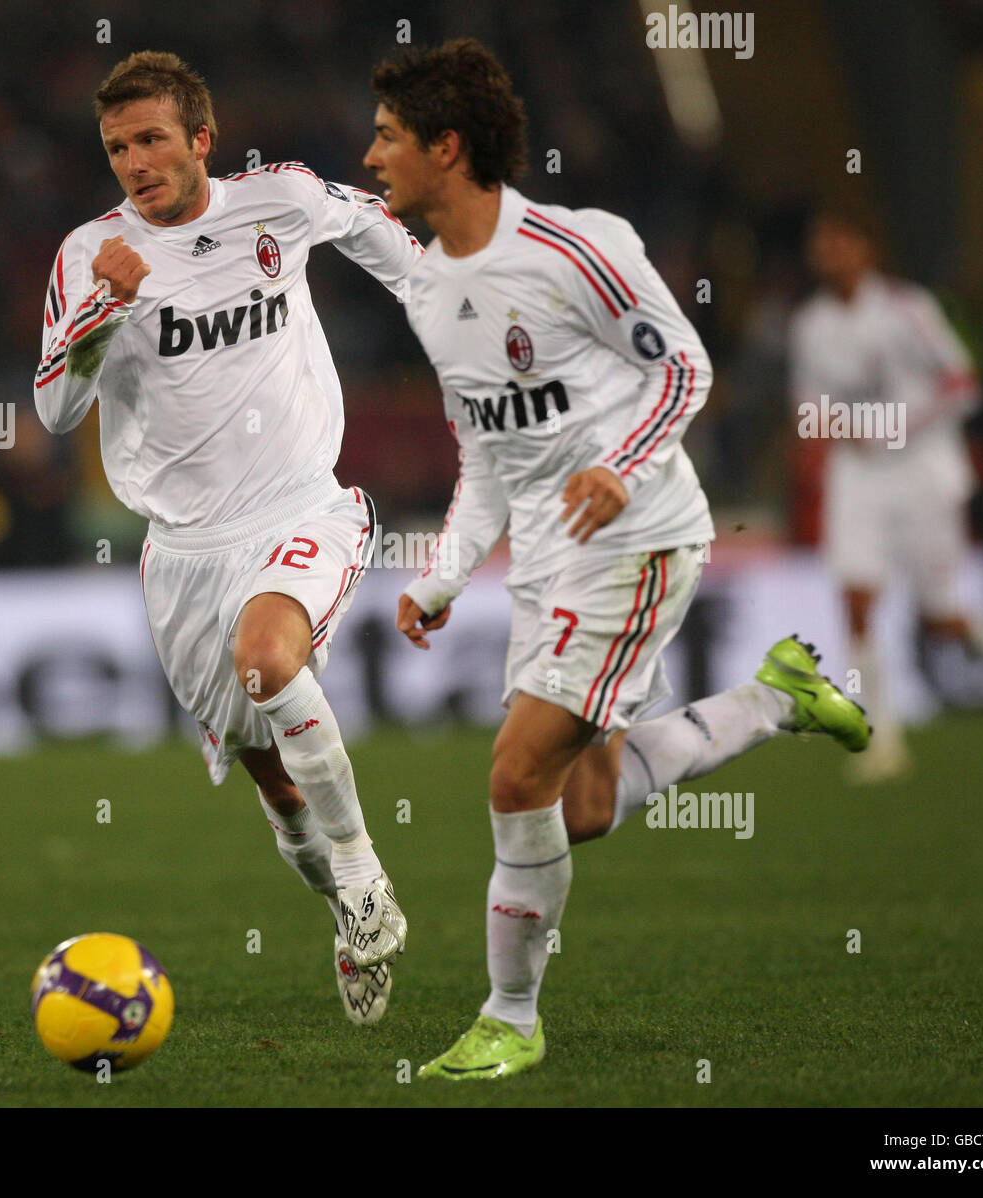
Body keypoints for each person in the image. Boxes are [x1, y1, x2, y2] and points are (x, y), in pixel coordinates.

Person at [362, 38, 871, 1080]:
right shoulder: (426, 291)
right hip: (547, 560)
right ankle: (774, 698)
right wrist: (447, 572)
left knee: (514, 773)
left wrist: (623, 470)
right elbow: (487, 455)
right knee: (579, 806)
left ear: (445, 148)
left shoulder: (572, 249)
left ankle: (510, 1015)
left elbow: (684, 364)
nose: (371, 157)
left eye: (386, 137)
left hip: (638, 536)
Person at [35, 51, 421, 1026]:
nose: (134, 160)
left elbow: (371, 225)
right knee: (276, 786)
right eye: (117, 145)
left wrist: (447, 301)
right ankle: (344, 908)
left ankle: (368, 875)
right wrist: (100, 312)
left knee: (267, 659)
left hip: (301, 505)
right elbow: (52, 406)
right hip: (185, 552)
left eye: (152, 138)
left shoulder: (277, 200)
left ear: (200, 139)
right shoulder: (91, 256)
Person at [791, 209, 983, 783]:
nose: (829, 254)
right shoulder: (811, 324)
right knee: (855, 599)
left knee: (939, 614)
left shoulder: (908, 308)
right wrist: (838, 430)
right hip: (858, 477)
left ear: (866, 249)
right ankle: (881, 741)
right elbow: (807, 408)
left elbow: (961, 383)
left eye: (840, 242)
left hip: (925, 471)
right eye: (821, 245)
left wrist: (892, 426)